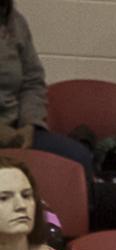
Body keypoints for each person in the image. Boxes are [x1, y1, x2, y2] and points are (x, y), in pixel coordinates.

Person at [0, 2, 95, 173]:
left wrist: (30, 124)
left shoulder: (16, 22)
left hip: (17, 131)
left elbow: (32, 82)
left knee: (78, 158)